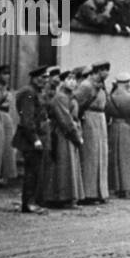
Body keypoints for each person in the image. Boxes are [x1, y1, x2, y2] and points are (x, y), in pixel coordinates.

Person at [42, 68, 84, 207]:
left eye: (74, 80)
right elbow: (65, 119)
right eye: (68, 79)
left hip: (69, 133)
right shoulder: (60, 97)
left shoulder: (70, 96)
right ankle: (60, 197)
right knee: (63, 164)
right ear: (63, 81)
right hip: (61, 134)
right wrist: (76, 136)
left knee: (68, 164)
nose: (72, 82)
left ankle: (67, 196)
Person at [13, 66, 49, 214]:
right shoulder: (28, 93)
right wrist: (35, 139)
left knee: (34, 170)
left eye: (46, 78)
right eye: (42, 78)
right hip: (29, 137)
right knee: (31, 171)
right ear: (34, 78)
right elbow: (27, 119)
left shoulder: (35, 92)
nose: (44, 81)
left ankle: (30, 201)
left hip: (35, 135)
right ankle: (28, 203)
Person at [74, 62, 111, 204]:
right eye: (104, 70)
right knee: (90, 156)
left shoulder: (101, 86)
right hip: (89, 120)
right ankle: (88, 194)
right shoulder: (86, 86)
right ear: (97, 71)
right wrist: (79, 118)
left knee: (101, 155)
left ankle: (100, 192)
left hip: (100, 121)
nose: (107, 73)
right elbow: (76, 103)